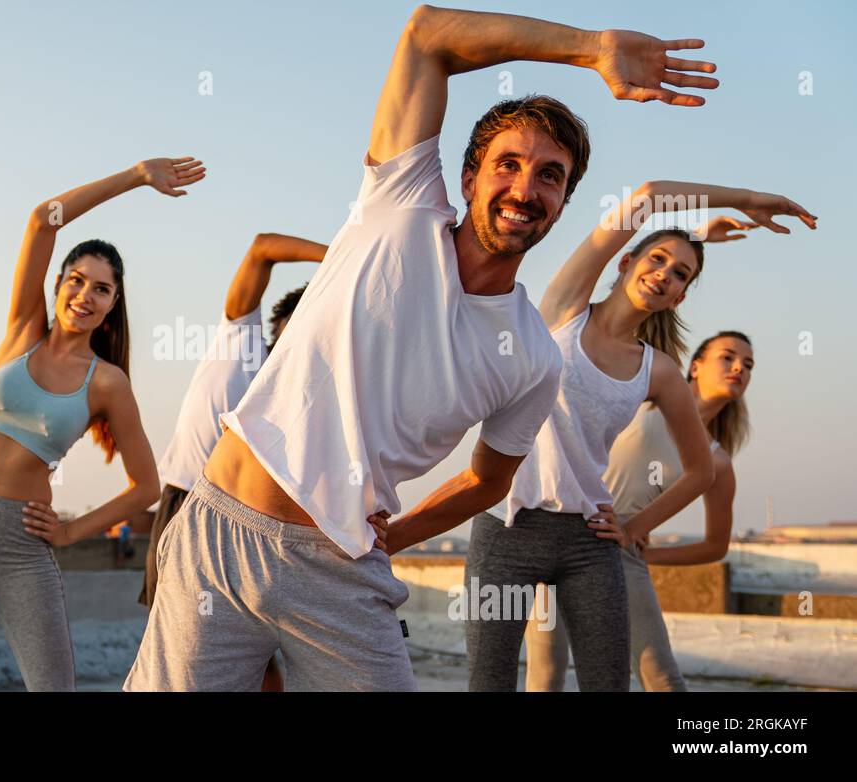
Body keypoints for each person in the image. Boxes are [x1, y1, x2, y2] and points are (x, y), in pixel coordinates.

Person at [125, 3, 719, 692]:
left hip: (342, 572)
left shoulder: (532, 357)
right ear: (469, 179)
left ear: (562, 204)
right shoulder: (398, 208)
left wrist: (399, 535)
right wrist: (592, 50)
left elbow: (491, 481)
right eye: (510, 164)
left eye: (550, 176)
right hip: (222, 541)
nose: (526, 188)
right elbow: (427, 32)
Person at [465, 189, 814, 692]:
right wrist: (747, 202)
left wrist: (632, 528)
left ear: (680, 297)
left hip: (591, 540)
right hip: (507, 526)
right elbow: (646, 198)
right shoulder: (566, 309)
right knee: (490, 681)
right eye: (657, 260)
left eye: (680, 275)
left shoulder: (661, 372)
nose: (666, 274)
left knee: (610, 683)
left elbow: (701, 471)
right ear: (626, 260)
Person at [0, 156, 205, 692]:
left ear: (114, 305)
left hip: (20, 541)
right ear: (58, 285)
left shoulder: (107, 382)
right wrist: (136, 176)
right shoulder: (24, 329)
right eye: (77, 280)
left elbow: (146, 487)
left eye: (100, 289)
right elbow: (41, 220)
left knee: (53, 686)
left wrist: (71, 531)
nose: (84, 296)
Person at [524, 309, 761, 691]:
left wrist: (642, 546)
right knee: (546, 671)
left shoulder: (716, 461)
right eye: (728, 358)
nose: (740, 369)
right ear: (696, 366)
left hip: (619, 553)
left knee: (660, 676)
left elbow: (715, 546)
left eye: (748, 365)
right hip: (561, 528)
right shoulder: (646, 395)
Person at [144, 232, 326, 692]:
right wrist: (345, 255)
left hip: (250, 526)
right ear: (280, 324)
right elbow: (263, 247)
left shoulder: (308, 396)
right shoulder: (240, 346)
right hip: (187, 501)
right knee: (177, 653)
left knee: (256, 652)